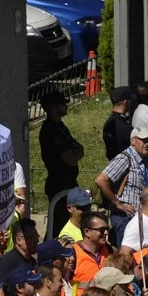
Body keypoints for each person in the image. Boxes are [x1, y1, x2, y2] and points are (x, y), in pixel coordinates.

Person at [38, 89, 85, 234]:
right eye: (62, 104)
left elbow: (79, 147)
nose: (66, 107)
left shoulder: (61, 127)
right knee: (58, 224)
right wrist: (76, 152)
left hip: (69, 181)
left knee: (70, 221)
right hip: (59, 183)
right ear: (53, 107)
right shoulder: (50, 130)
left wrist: (77, 151)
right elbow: (70, 158)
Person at [101, 86, 133, 161]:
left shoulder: (109, 122)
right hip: (125, 165)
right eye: (129, 100)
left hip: (114, 164)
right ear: (125, 102)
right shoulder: (123, 125)